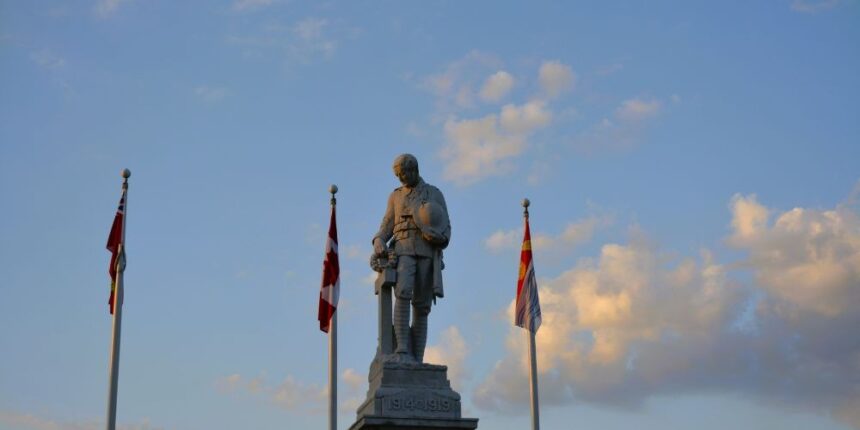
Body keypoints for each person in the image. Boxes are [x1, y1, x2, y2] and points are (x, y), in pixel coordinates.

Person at [371, 154, 451, 363]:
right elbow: (387, 225)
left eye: (403, 173)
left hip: (426, 251)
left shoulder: (433, 193)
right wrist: (378, 239)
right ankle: (402, 351)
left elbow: (446, 226)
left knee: (422, 305)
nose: (401, 179)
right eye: (397, 175)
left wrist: (439, 238)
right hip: (403, 249)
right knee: (403, 292)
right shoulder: (395, 197)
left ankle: (418, 358)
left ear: (414, 169)